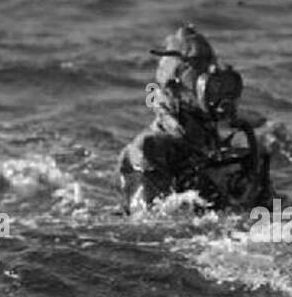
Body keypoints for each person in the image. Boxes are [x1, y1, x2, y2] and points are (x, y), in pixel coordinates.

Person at [118, 24, 275, 214]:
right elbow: (146, 227)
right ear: (175, 89)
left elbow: (271, 209)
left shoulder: (231, 147)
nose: (218, 93)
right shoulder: (148, 150)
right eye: (200, 72)